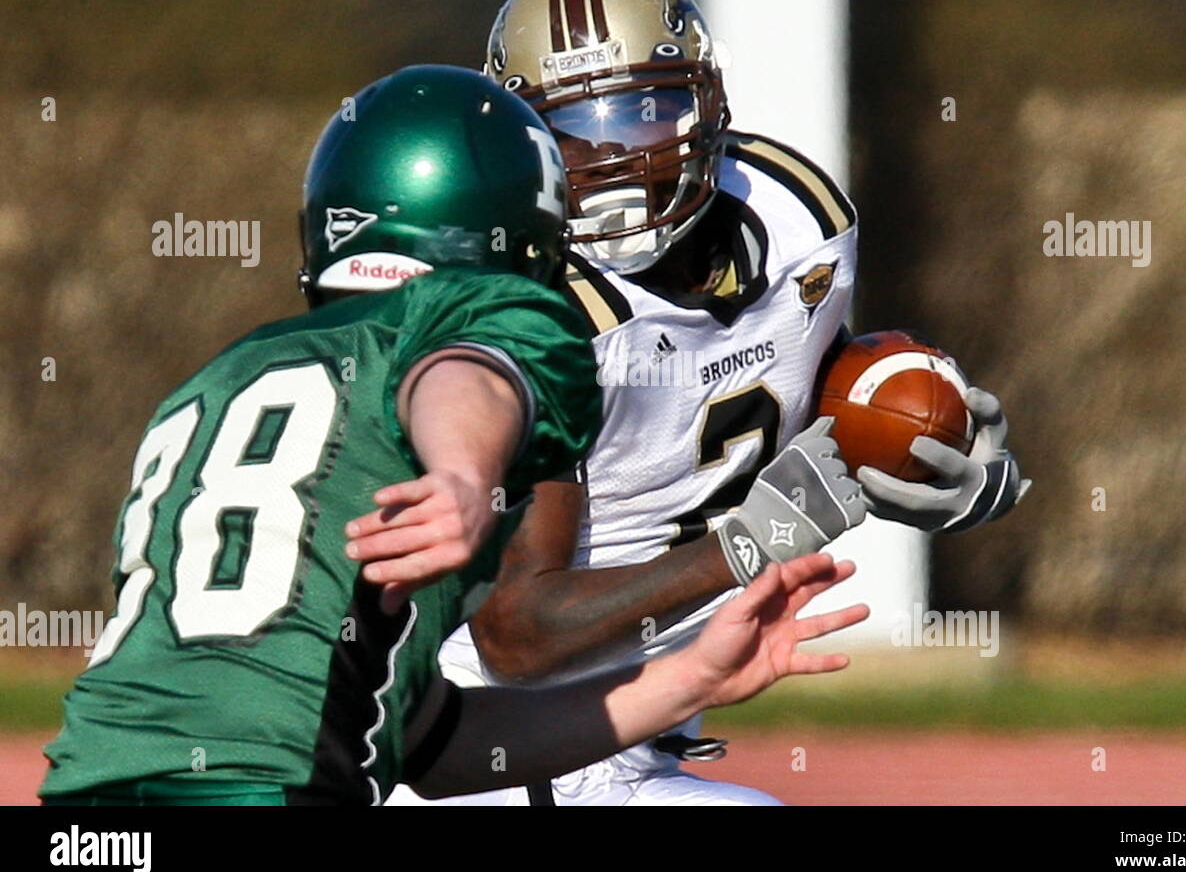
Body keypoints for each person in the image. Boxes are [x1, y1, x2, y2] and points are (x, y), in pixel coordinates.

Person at [38, 64, 867, 806]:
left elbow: (428, 747)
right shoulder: (487, 321)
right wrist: (466, 473)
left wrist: (686, 676)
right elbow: (466, 365)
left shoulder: (223, 377)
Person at [377, 0, 1026, 807]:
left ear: (707, 102)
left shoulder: (799, 216)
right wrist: (746, 547)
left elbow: (779, 379)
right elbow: (515, 634)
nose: (610, 156)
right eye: (571, 128)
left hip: (634, 746)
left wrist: (917, 441)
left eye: (643, 111)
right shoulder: (539, 315)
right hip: (473, 751)